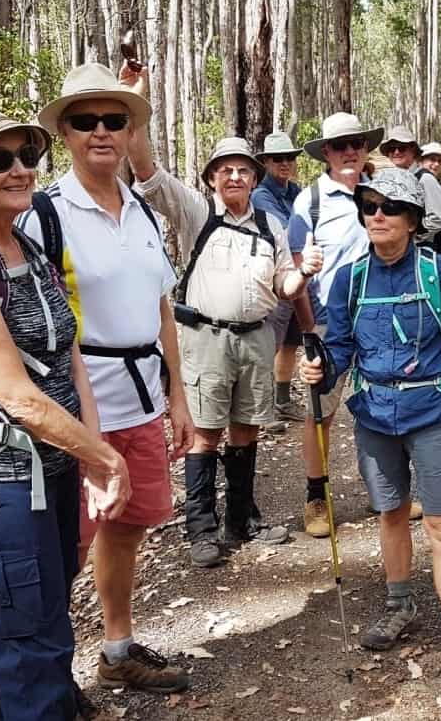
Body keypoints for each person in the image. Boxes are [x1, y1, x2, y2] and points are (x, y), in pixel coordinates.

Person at [0, 101, 130, 719]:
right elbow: (18, 398)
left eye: (27, 155)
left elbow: (69, 357)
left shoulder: (27, 248)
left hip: (56, 469)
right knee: (34, 635)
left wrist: (91, 455)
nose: (19, 170)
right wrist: (106, 460)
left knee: (33, 621)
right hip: (3, 484)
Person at [21, 62, 193, 696]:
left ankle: (117, 650)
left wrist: (178, 396)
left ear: (129, 132)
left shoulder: (143, 211)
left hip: (142, 398)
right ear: (64, 133)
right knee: (66, 541)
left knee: (128, 524)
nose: (101, 131)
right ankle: (46, 673)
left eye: (114, 120)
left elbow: (161, 307)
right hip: (75, 408)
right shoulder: (43, 215)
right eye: (85, 120)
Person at [299, 168, 441, 685]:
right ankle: (399, 604)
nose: (377, 215)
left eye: (389, 208)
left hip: (431, 411)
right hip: (374, 414)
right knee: (390, 512)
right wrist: (321, 368)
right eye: (369, 207)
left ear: (412, 220)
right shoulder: (350, 278)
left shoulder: (439, 271)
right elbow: (340, 346)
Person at [123, 69, 322, 568]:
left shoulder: (270, 225)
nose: (235, 177)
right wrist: (133, 104)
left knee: (247, 428)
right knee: (205, 432)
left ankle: (240, 520)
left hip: (256, 338)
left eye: (243, 171)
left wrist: (303, 273)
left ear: (255, 179)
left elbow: (284, 285)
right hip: (205, 338)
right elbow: (146, 171)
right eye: (226, 170)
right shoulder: (196, 212)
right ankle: (201, 528)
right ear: (212, 177)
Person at [289, 112, 427, 536]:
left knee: (383, 404)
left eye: (356, 143)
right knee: (321, 413)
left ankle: (385, 489)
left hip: (385, 318)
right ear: (326, 153)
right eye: (339, 145)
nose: (349, 151)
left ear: (366, 148)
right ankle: (316, 496)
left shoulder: (385, 190)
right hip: (329, 324)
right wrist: (309, 330)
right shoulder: (309, 201)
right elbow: (297, 273)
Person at [251, 132, 308, 430]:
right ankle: (260, 408)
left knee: (290, 343)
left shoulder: (295, 191)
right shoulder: (261, 195)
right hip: (276, 279)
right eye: (277, 159)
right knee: (269, 345)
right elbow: (285, 232)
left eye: (289, 158)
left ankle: (282, 401)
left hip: (298, 279)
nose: (285, 163)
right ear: (266, 163)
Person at [379, 125, 441, 243]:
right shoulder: (395, 179)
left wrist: (411, 238)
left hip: (419, 247)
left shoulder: (425, 179)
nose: (396, 152)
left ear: (413, 151)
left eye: (402, 148)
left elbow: (437, 220)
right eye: (391, 149)